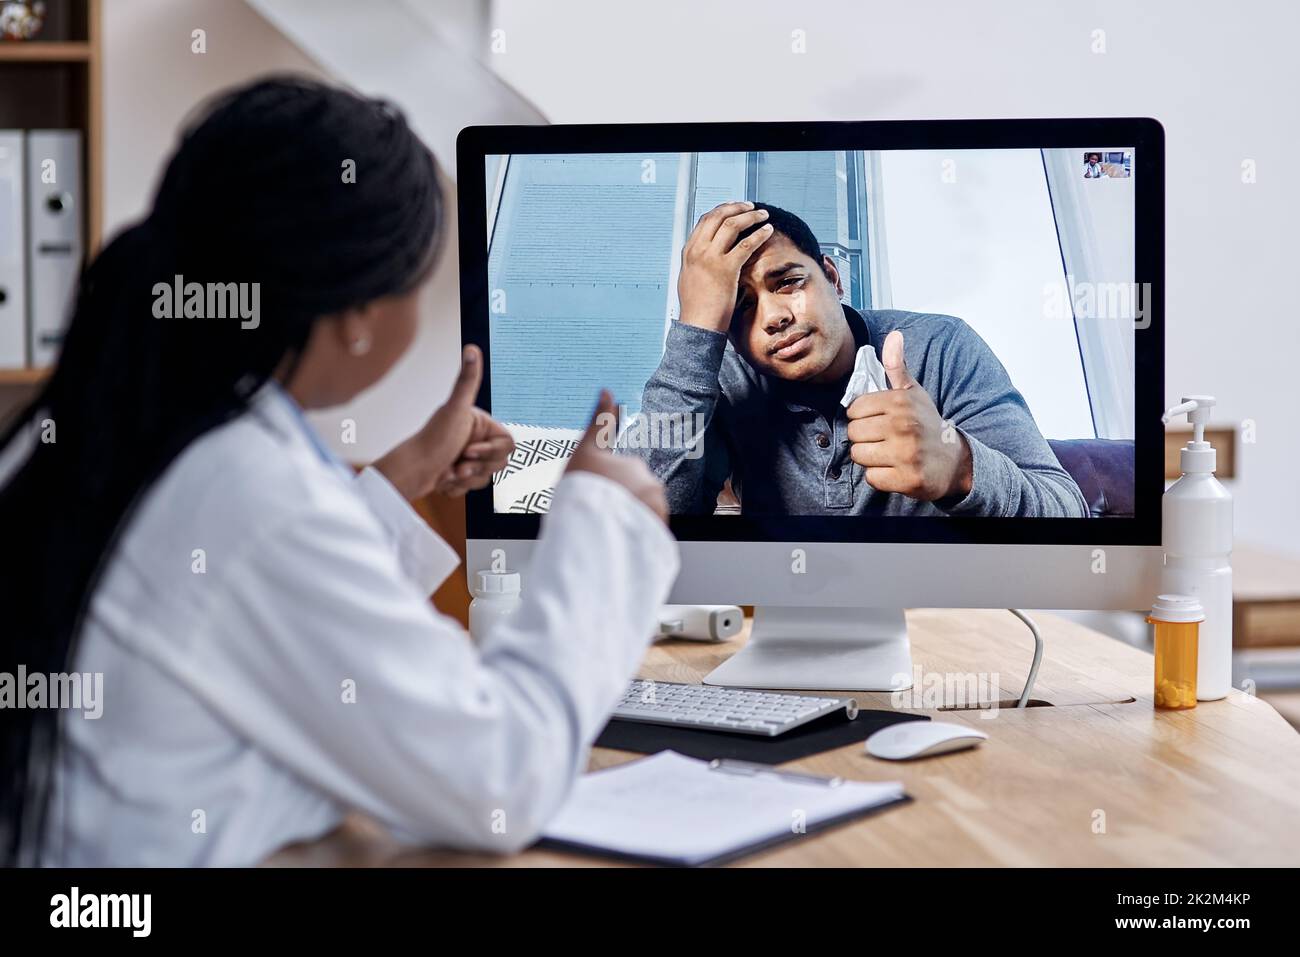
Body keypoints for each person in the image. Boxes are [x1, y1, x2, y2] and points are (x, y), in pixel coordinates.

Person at [0, 77, 676, 867]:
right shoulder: (248, 490)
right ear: (358, 317)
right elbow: (502, 778)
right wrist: (599, 517)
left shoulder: (106, 424)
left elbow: (248, 611)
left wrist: (399, 479)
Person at [630, 202, 1087, 518]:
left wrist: (960, 468)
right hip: (783, 616)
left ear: (831, 276)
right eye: (741, 305)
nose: (773, 317)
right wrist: (696, 330)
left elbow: (1067, 512)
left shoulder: (941, 346)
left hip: (942, 622)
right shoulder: (726, 379)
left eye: (788, 282)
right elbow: (639, 526)